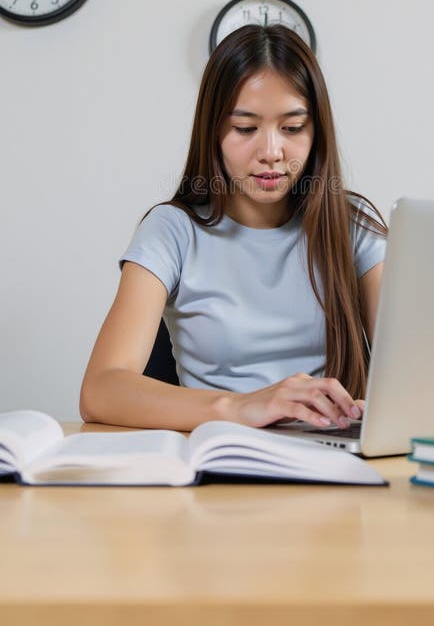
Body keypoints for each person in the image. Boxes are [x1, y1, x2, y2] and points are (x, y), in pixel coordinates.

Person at [80, 25, 387, 432]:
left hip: (333, 462)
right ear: (214, 132)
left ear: (317, 133)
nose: (271, 153)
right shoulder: (173, 230)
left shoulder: (351, 226)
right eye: (245, 129)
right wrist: (241, 407)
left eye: (293, 128)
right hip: (220, 456)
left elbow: (417, 370)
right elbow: (101, 390)